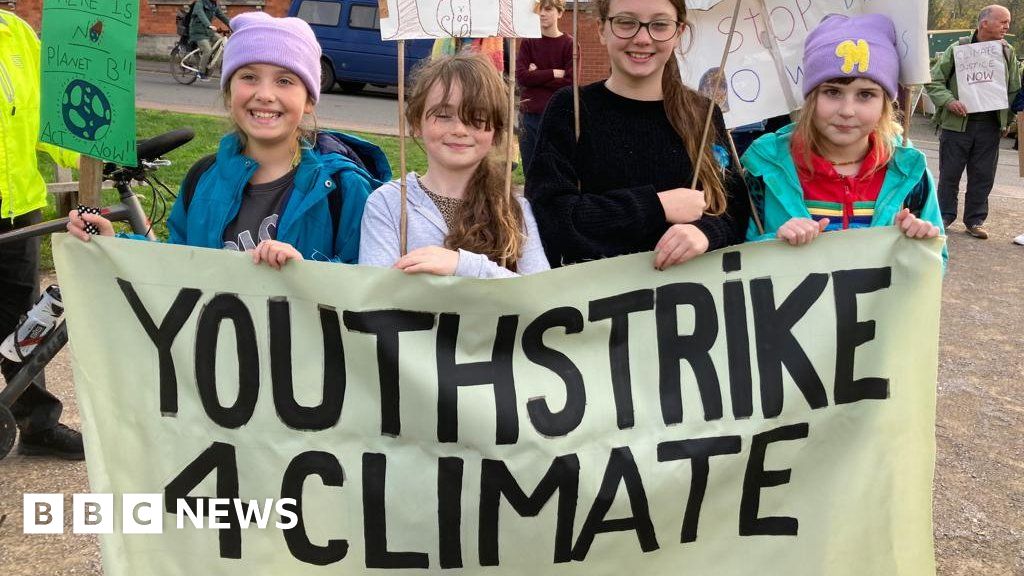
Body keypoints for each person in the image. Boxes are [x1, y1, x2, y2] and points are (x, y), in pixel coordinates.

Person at [69, 11, 390, 269]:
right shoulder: (202, 179)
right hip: (218, 350)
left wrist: (305, 273)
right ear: (228, 92)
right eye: (248, 77)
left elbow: (368, 285)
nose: (265, 95)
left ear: (308, 100)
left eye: (285, 80)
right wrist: (112, 245)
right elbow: (180, 265)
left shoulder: (343, 189)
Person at [525, 0, 750, 270]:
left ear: (678, 33)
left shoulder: (703, 113)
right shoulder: (570, 108)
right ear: (601, 29)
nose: (642, 38)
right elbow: (550, 218)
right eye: (626, 22)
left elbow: (735, 210)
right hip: (596, 301)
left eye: (659, 24)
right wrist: (656, 206)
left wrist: (707, 232)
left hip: (690, 300)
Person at [742, 14, 946, 265]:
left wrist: (920, 244)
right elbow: (733, 258)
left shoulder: (909, 173)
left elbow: (937, 263)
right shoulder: (764, 171)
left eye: (865, 95)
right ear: (810, 97)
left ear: (885, 103)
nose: (847, 110)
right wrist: (775, 243)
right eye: (832, 92)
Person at [359, 53, 549, 278]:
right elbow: (377, 298)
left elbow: (540, 297)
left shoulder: (514, 208)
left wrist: (464, 266)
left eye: (477, 117)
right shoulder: (388, 204)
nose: (460, 129)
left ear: (496, 130)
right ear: (416, 122)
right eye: (443, 115)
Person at [0, 10, 84, 459]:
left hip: (18, 209)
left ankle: (35, 423)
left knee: (22, 326)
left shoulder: (14, 33)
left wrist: (96, 150)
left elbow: (49, 113)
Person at [925, 5, 1019, 239]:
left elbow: (1014, 89)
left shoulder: (1008, 52)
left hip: (990, 125)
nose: (1007, 27)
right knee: (950, 174)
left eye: (1008, 22)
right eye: (1003, 22)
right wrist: (949, 102)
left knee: (983, 175)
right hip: (957, 124)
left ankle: (975, 220)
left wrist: (1009, 120)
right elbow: (933, 80)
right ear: (984, 23)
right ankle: (944, 217)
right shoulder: (958, 48)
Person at [515, 0, 574, 174]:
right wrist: (554, 72)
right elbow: (522, 77)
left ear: (560, 13)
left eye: (548, 9)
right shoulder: (528, 43)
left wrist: (537, 74)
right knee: (531, 170)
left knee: (555, 170)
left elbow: (570, 83)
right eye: (539, 10)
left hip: (557, 116)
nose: (542, 14)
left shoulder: (569, 44)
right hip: (530, 117)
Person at [188, 0, 230, 81]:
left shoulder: (213, 5)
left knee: (221, 40)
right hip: (197, 31)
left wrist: (233, 25)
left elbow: (222, 16)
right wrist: (209, 25)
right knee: (207, 50)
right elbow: (201, 15)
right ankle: (200, 72)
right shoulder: (199, 3)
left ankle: (208, 60)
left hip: (208, 31)